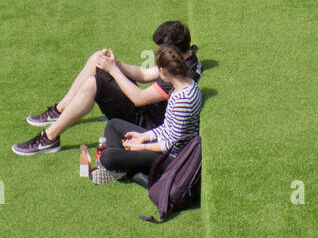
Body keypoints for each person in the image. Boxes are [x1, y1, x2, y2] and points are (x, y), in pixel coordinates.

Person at [12, 20, 201, 155]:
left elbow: (139, 98)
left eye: (161, 49)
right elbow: (143, 75)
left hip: (145, 121)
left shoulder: (179, 74)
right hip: (146, 111)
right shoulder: (182, 61)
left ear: (173, 52)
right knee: (97, 60)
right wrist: (113, 63)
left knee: (94, 83)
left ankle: (49, 138)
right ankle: (59, 111)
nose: (159, 52)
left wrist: (112, 70)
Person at [93, 44, 202, 184]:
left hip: (170, 157)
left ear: (162, 71)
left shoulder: (183, 100)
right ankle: (125, 169)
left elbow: (171, 144)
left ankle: (127, 170)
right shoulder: (186, 85)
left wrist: (142, 147)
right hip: (163, 143)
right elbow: (167, 127)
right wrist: (144, 136)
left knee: (107, 157)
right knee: (113, 125)